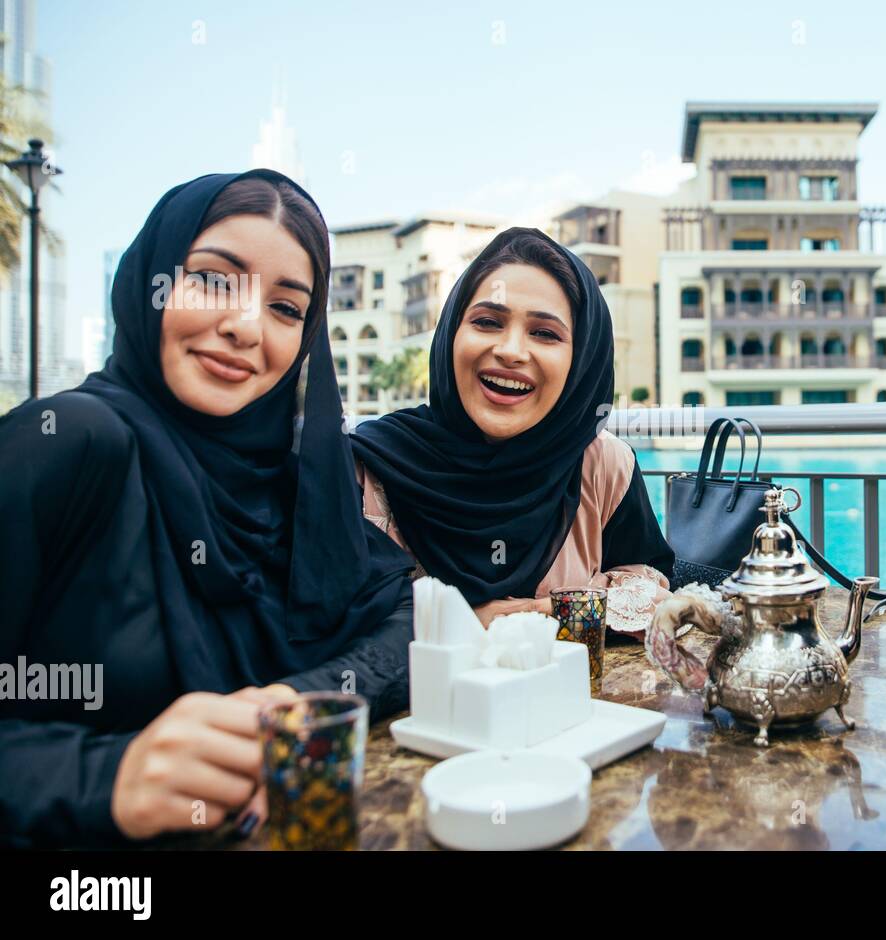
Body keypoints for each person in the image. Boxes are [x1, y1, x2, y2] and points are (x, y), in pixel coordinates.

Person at [0, 170, 415, 848]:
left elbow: (406, 616)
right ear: (151, 281)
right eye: (215, 281)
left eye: (287, 309)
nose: (246, 327)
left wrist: (291, 703)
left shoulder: (295, 485)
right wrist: (106, 778)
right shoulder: (71, 444)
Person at [350, 227, 673, 635]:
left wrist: (540, 613)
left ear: (581, 360)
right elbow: (342, 613)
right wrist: (471, 624)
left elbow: (648, 584)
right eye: (487, 322)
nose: (511, 350)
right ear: (451, 333)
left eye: (544, 333)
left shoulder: (602, 465)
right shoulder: (371, 466)